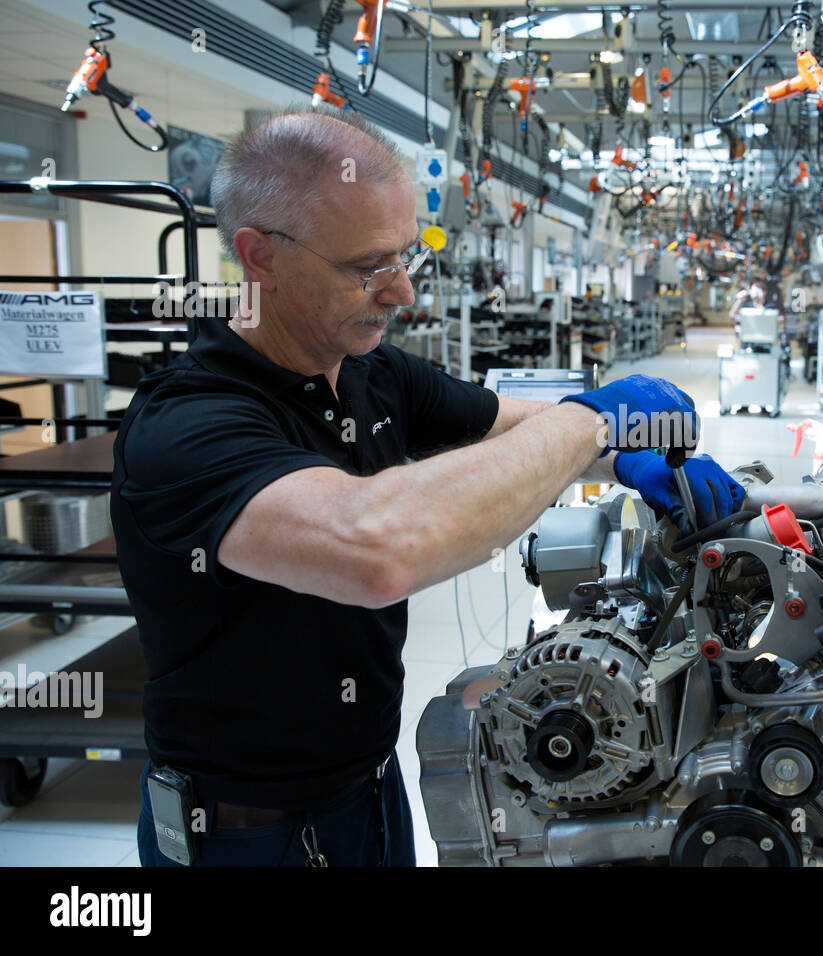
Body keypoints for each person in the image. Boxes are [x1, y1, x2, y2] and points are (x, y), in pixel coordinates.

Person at [110, 107, 745, 866]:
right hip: (241, 829)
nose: (402, 291)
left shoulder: (375, 376)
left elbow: (519, 430)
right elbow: (378, 548)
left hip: (372, 793)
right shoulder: (186, 425)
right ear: (260, 258)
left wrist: (637, 452)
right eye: (367, 267)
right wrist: (590, 422)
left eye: (406, 258)